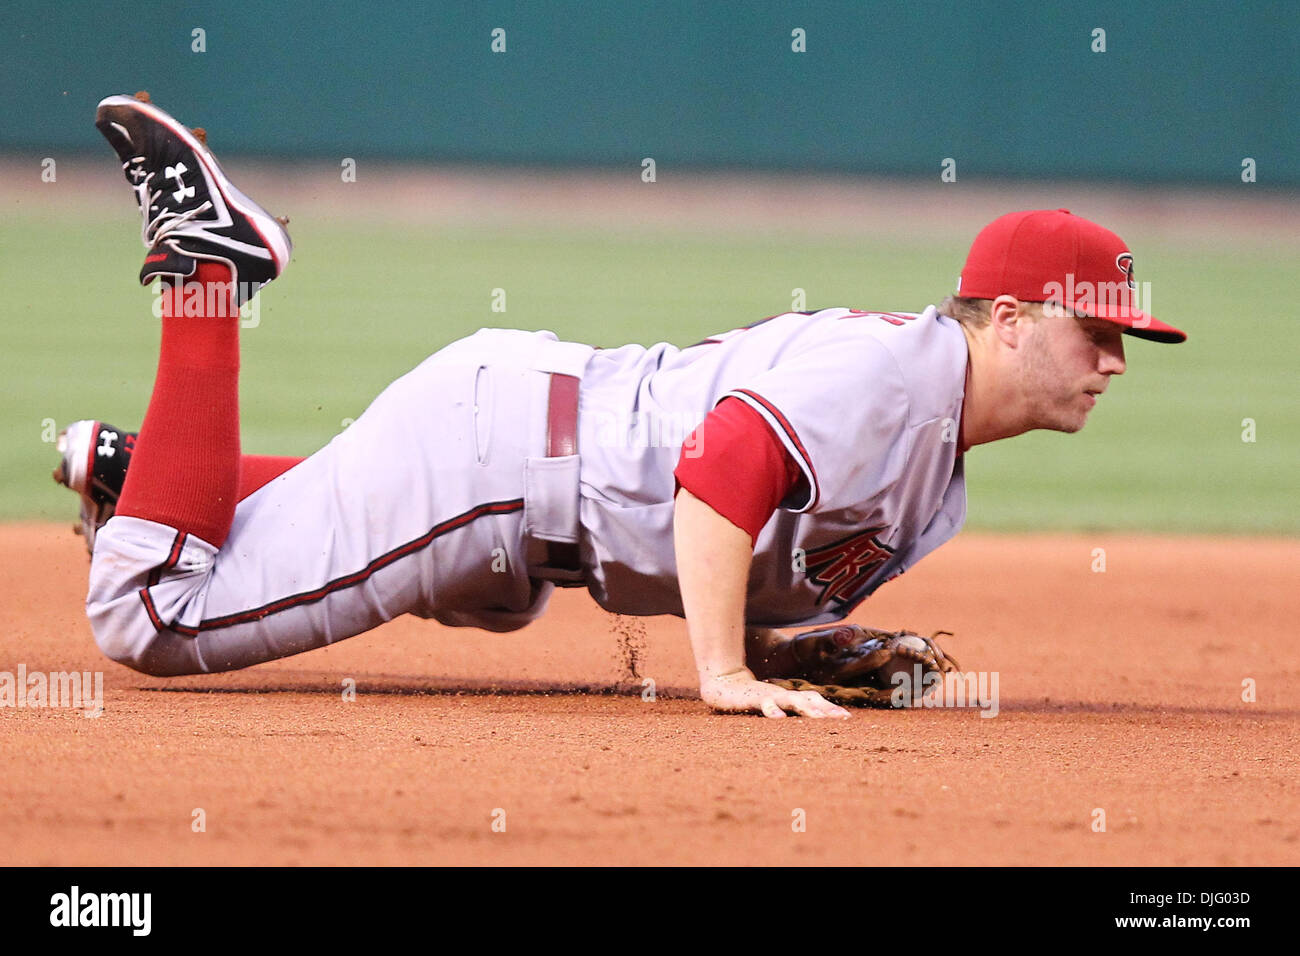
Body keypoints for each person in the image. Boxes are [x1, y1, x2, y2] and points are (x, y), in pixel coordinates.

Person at [55, 93, 1185, 720]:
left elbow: (732, 533)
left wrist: (782, 651)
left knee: (464, 583)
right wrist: (727, 676)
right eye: (1097, 332)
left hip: (517, 499)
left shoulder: (937, 468)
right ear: (1006, 318)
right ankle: (210, 267)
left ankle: (150, 469)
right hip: (492, 467)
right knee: (148, 617)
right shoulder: (896, 378)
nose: (1114, 360)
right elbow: (721, 468)